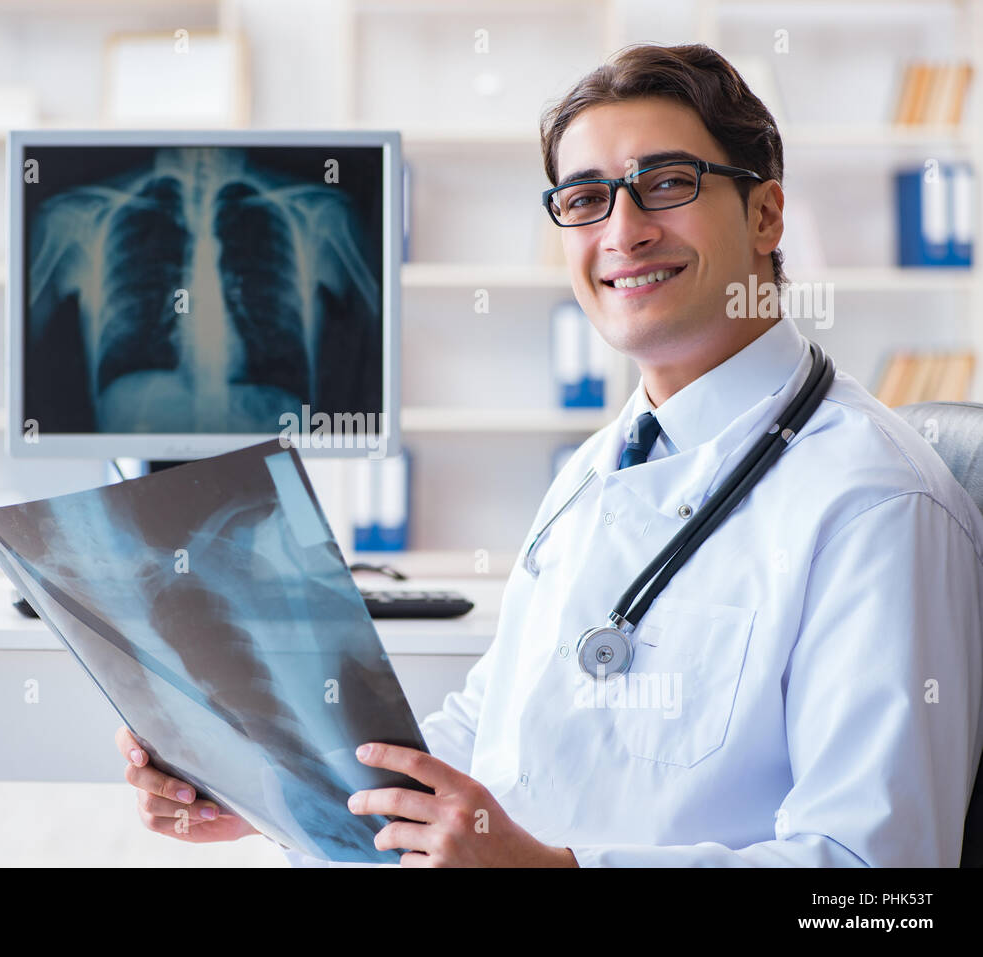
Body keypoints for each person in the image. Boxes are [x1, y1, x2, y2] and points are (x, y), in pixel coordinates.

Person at [118, 42, 983, 867]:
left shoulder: (875, 502)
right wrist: (277, 791)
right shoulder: (596, 468)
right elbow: (490, 736)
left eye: (667, 183)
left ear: (766, 213)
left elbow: (883, 889)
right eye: (585, 199)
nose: (624, 230)